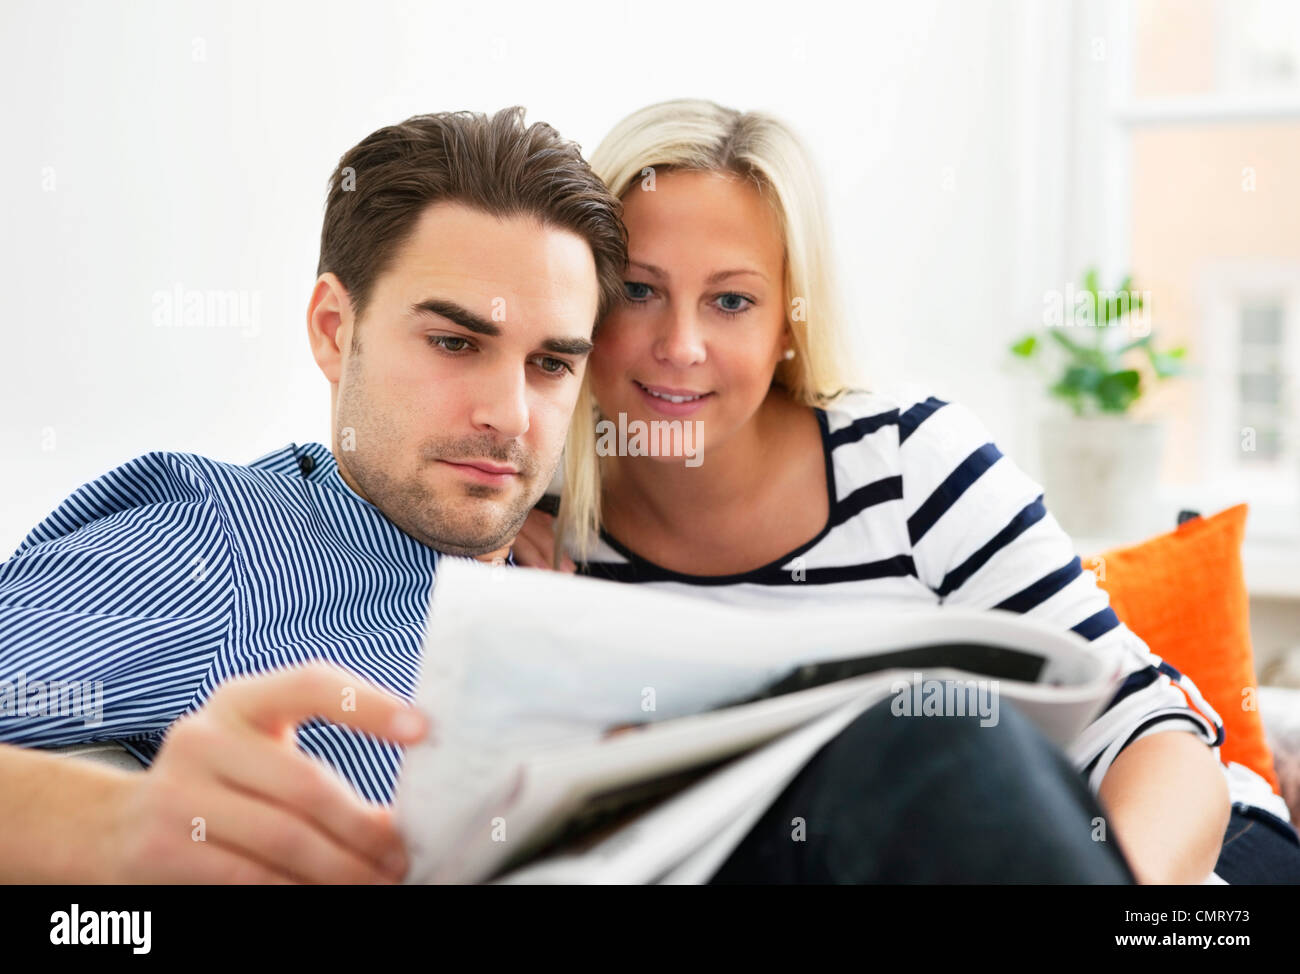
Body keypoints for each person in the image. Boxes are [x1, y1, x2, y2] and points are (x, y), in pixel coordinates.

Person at [513, 98, 1300, 884]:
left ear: (790, 321)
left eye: (732, 301)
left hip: (1170, 857)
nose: (680, 347)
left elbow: (1152, 735)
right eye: (640, 291)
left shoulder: (907, 464)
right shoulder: (526, 522)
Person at [0, 106, 628, 883]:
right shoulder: (218, 547)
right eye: (455, 344)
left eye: (551, 365)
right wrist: (113, 828)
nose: (510, 415)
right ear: (335, 329)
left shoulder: (597, 582)